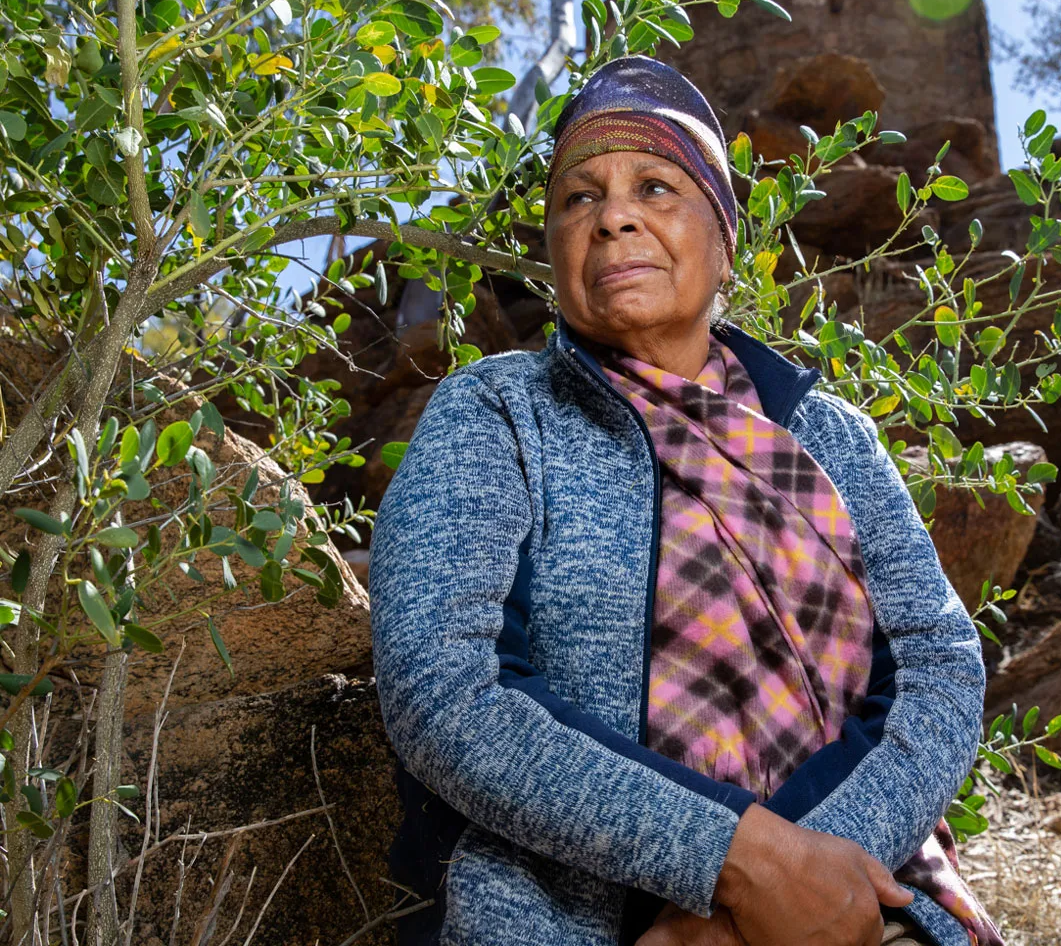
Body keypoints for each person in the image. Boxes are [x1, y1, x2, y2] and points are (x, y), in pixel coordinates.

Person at [368, 55, 1003, 946]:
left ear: (725, 237)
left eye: (656, 186)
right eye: (577, 198)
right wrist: (735, 863)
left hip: (855, 899)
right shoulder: (498, 413)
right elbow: (446, 692)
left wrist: (776, 894)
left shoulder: (831, 438)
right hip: (573, 920)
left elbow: (938, 666)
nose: (613, 214)